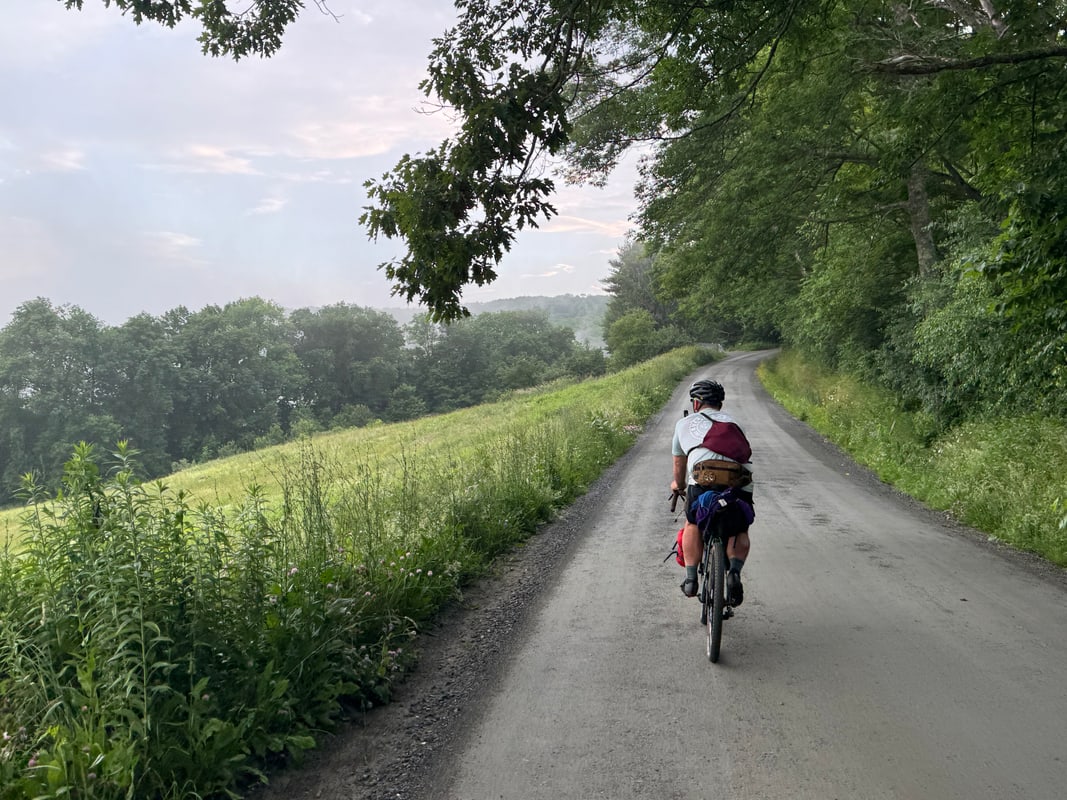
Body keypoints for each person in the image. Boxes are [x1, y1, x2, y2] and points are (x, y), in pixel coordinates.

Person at [670, 379, 753, 605]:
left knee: (693, 524)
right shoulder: (735, 422)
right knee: (739, 526)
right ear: (720, 404)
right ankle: (734, 572)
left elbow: (679, 464)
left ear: (696, 404)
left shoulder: (684, 424)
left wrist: (678, 485)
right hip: (738, 479)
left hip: (702, 478)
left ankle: (690, 579)